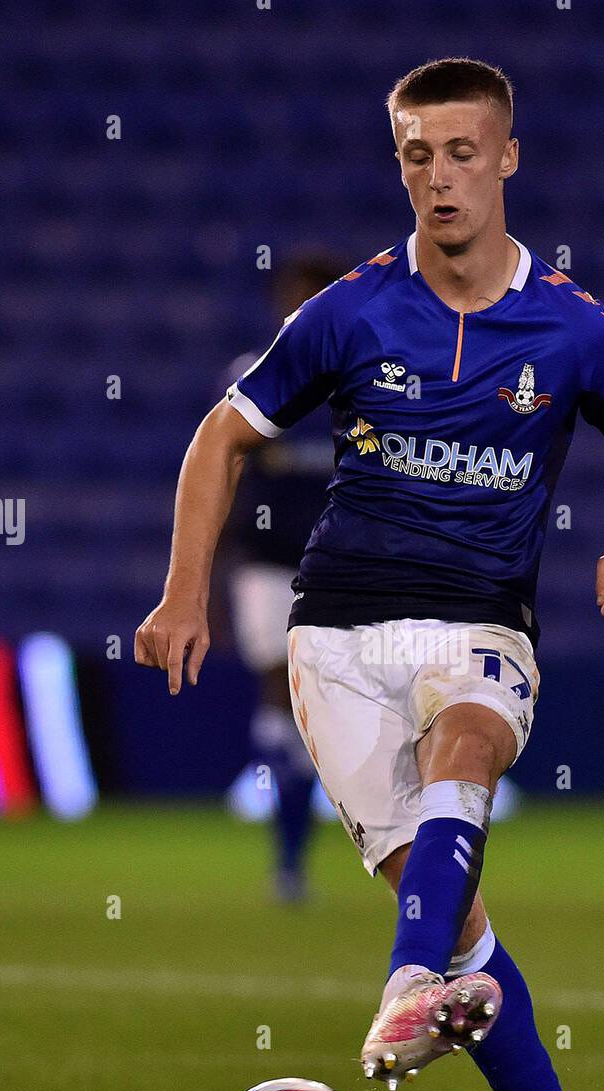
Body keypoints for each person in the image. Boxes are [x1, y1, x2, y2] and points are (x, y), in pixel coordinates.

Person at [136, 58, 604, 1091]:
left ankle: (401, 989)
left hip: (481, 619)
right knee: (462, 929)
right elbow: (217, 437)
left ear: (506, 158)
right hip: (333, 635)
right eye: (416, 155)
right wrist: (183, 588)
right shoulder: (347, 310)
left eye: (461, 152)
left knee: (469, 742)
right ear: (400, 164)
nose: (439, 178)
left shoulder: (574, 330)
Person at [223, 255, 343, 901]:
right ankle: (289, 858)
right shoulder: (254, 376)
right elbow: (224, 474)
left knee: (330, 706)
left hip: (348, 566)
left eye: (316, 296)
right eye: (295, 296)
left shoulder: (372, 380)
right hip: (271, 565)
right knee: (282, 693)